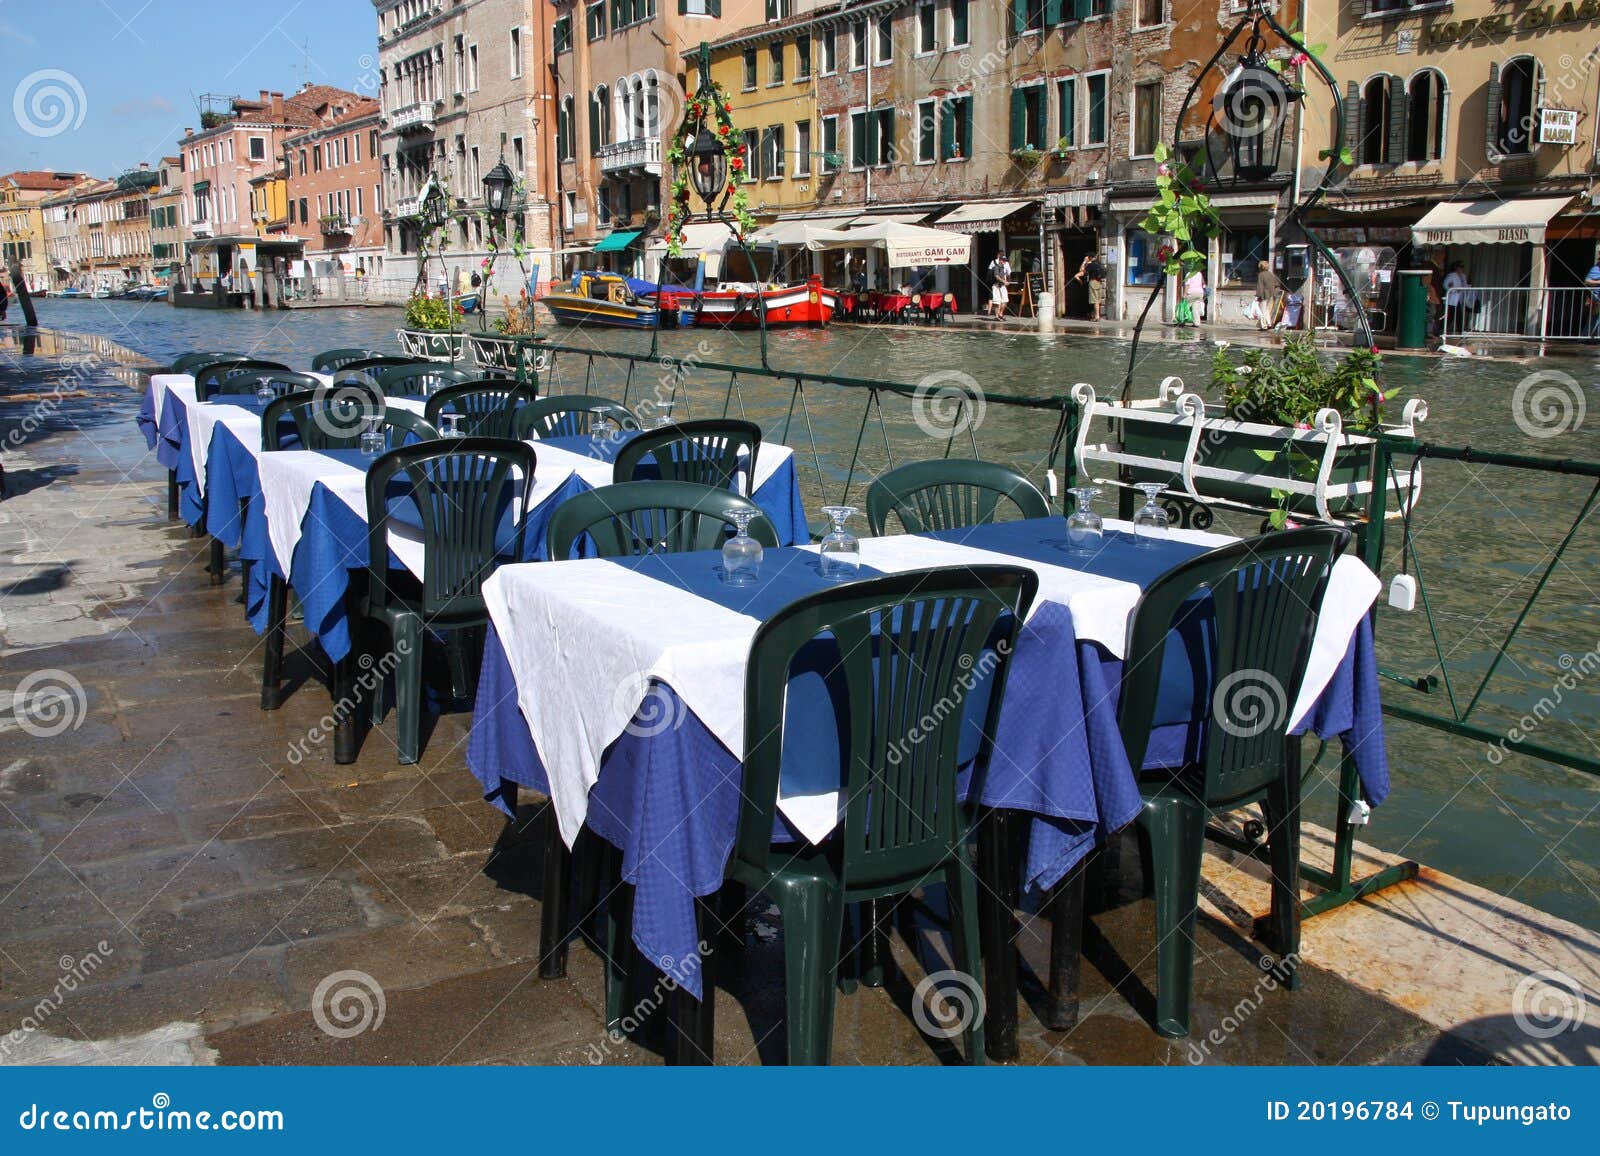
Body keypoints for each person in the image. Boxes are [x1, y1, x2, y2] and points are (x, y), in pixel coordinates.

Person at [1442, 261, 1476, 337]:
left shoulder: (1463, 276)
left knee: (1452, 316)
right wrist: (1453, 289)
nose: (1462, 268)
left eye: (1462, 267)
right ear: (1456, 267)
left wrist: (1469, 286)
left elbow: (1464, 285)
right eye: (1460, 267)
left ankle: (1444, 330)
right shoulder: (1451, 275)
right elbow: (1445, 285)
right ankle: (1459, 331)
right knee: (1455, 315)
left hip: (1459, 299)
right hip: (1452, 299)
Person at [1254, 259, 1283, 330]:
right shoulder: (1271, 274)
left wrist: (1257, 296)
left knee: (1262, 311)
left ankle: (1264, 325)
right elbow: (1276, 284)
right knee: (1266, 309)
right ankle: (1269, 323)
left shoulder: (1260, 275)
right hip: (1270, 295)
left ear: (1260, 267)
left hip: (1263, 295)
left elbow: (1260, 286)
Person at [987, 252, 1012, 318]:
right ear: (1000, 260)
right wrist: (1004, 281)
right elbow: (996, 276)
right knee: (997, 301)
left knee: (1005, 300)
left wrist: (1008, 281)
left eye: (1005, 261)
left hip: (1003, 286)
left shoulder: (1004, 267)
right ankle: (996, 316)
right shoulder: (996, 267)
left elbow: (1008, 273)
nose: (1004, 262)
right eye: (1003, 261)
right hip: (996, 286)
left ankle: (1000, 313)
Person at [1585, 250, 1600, 341]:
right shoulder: (1596, 269)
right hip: (1597, 297)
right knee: (1595, 319)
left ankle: (1585, 338)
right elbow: (1587, 281)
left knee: (1595, 319)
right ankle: (1585, 338)